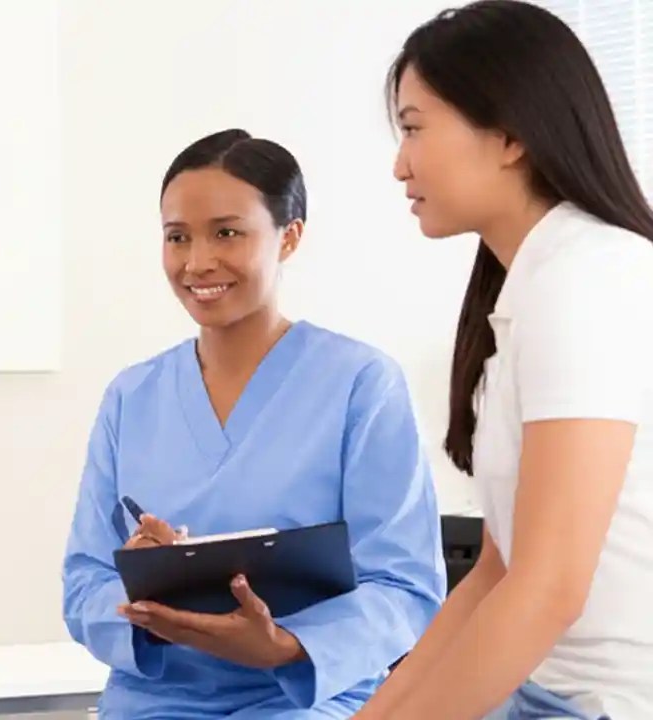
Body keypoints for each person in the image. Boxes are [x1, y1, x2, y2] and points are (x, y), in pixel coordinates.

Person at [61, 128, 446, 719]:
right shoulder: (131, 397)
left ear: (289, 237)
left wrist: (285, 647)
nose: (197, 262)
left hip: (306, 701)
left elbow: (405, 586)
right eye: (177, 237)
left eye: (227, 233)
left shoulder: (360, 384)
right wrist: (149, 600)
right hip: (152, 704)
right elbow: (86, 580)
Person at [353, 2, 653, 719]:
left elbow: (549, 588)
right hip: (537, 690)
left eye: (415, 128)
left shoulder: (591, 278)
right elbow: (495, 573)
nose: (400, 164)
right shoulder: (531, 289)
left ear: (510, 134)